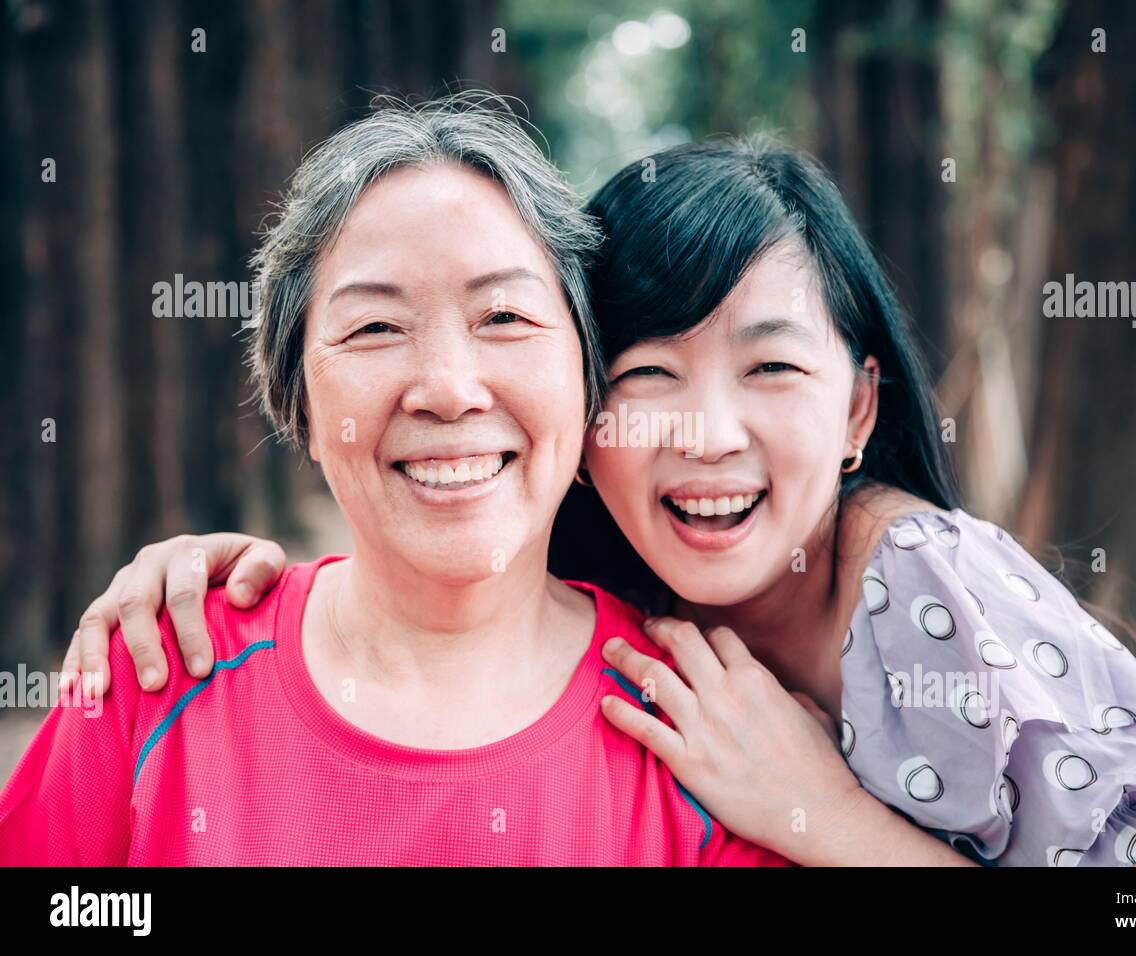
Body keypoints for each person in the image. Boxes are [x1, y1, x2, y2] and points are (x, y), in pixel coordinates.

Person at [55, 135, 1136, 867]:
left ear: (861, 410)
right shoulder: (647, 626)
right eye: (646, 376)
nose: (701, 434)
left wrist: (830, 820)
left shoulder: (925, 593)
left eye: (772, 368)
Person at [0, 96, 800, 866]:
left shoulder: (699, 732)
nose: (449, 389)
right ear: (298, 402)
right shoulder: (157, 670)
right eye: (375, 327)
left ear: (588, 383)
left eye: (504, 318)